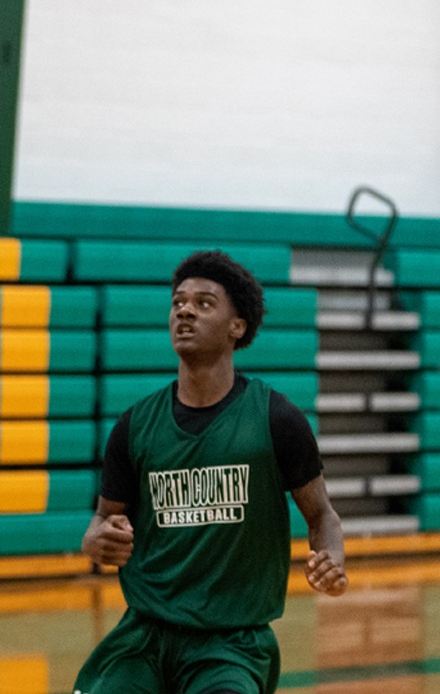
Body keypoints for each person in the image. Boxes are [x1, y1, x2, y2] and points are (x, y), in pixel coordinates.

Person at [74, 250, 349, 694]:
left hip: (231, 645)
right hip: (144, 637)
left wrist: (331, 559)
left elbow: (322, 517)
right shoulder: (135, 425)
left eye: (204, 303)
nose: (184, 310)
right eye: (178, 302)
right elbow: (101, 523)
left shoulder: (276, 420)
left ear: (236, 328)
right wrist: (95, 541)